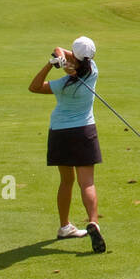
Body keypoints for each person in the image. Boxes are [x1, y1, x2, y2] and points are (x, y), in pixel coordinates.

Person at [28, 35, 106, 253]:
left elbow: (34, 87)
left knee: (66, 182)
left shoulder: (61, 85)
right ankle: (93, 222)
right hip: (84, 132)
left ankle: (64, 226)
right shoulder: (93, 71)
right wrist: (61, 59)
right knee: (87, 183)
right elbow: (64, 53)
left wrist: (50, 64)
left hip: (60, 133)